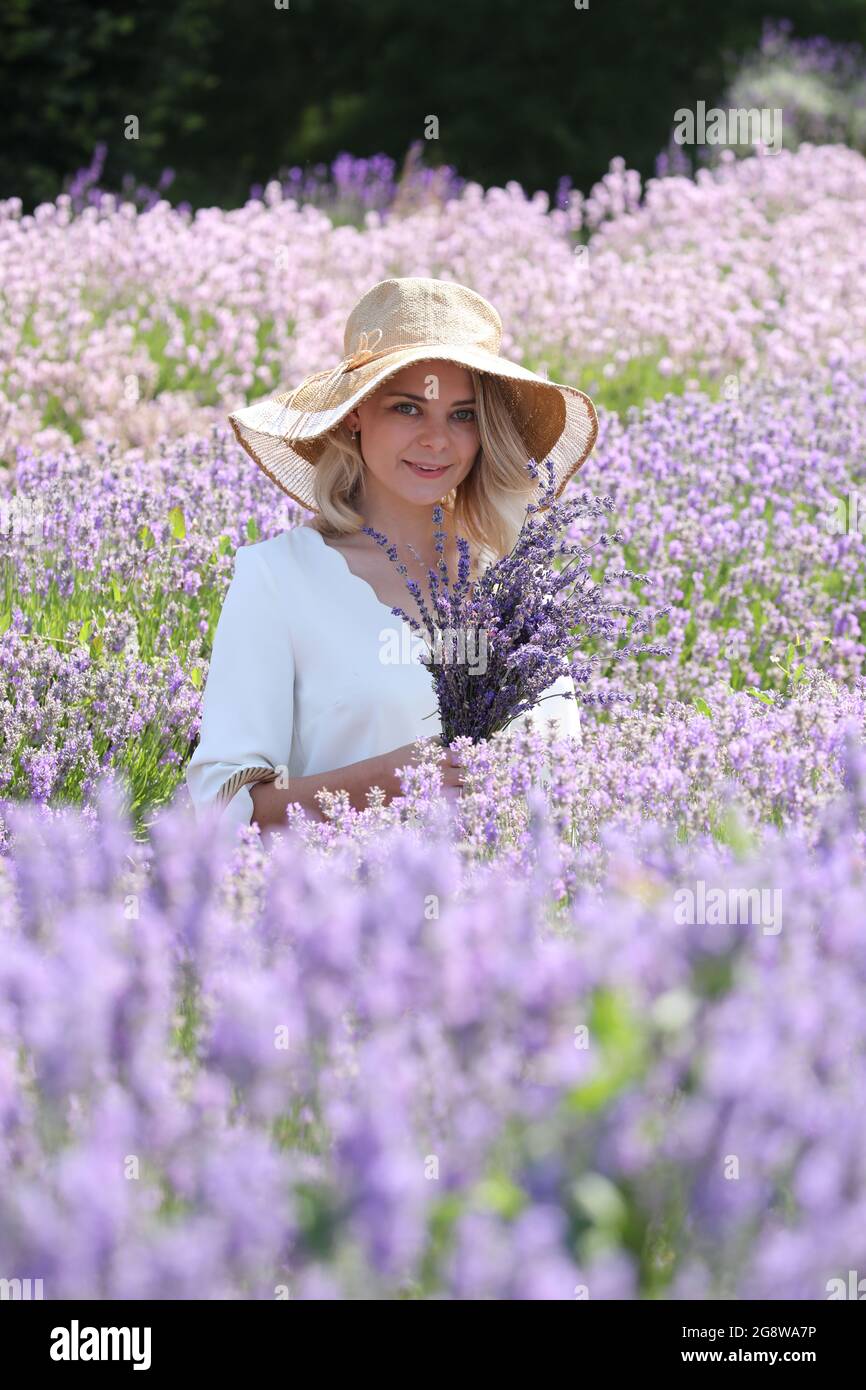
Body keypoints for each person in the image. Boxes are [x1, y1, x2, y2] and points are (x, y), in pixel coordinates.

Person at [184, 276, 599, 836]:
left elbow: (569, 790)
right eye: (408, 409)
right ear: (355, 415)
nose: (437, 440)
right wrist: (400, 777)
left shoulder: (518, 590)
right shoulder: (279, 579)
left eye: (463, 415)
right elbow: (224, 806)